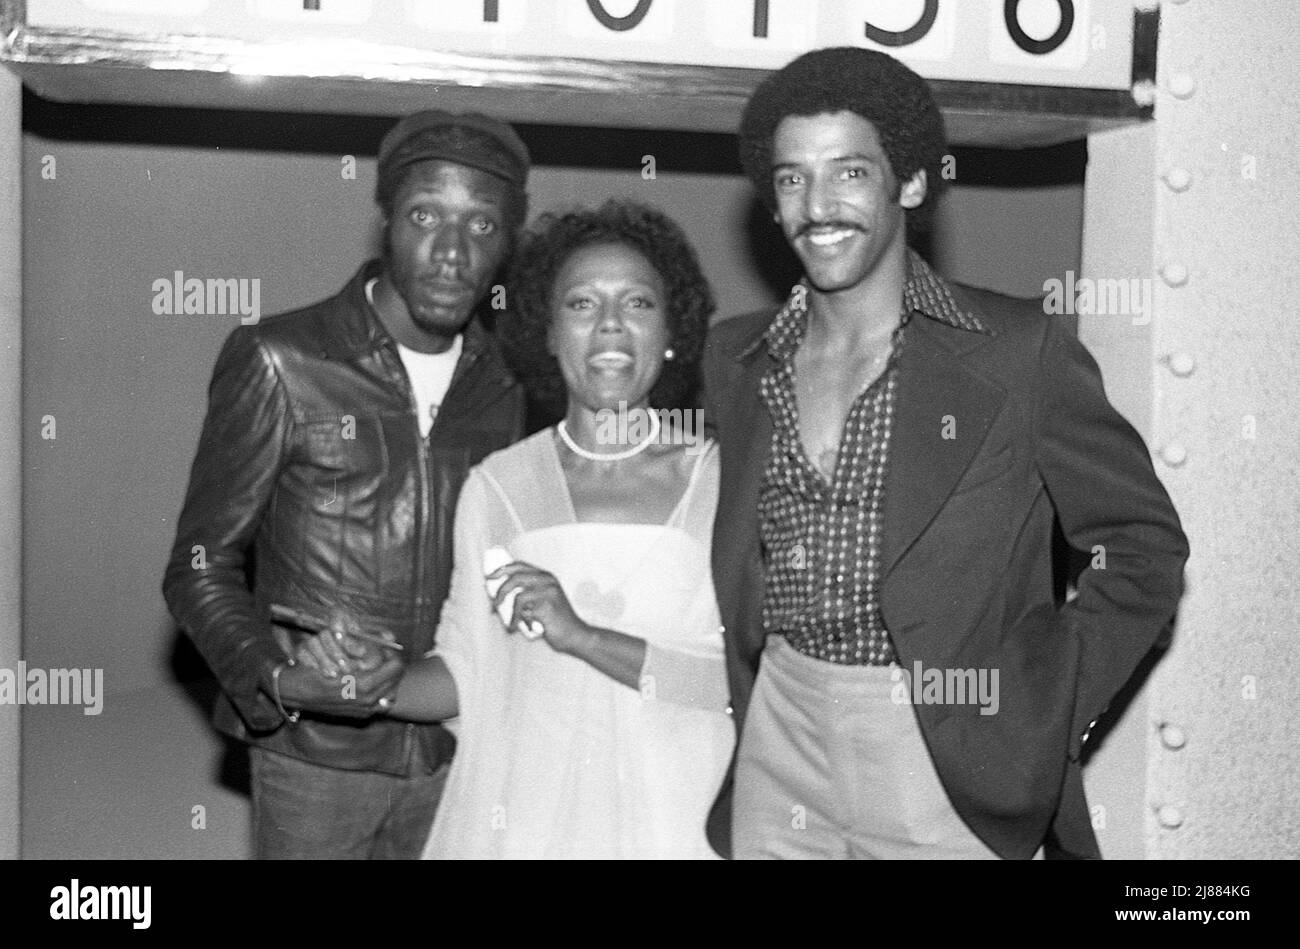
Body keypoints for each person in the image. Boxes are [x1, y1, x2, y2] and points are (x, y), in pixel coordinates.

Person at [702, 47, 1189, 859]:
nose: (817, 206)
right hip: (779, 735)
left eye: (850, 173)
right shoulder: (736, 358)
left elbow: (1143, 548)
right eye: (791, 179)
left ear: (913, 183)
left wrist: (1043, 706)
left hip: (947, 750)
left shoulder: (1015, 352)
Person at [305, 200, 732, 859]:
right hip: (528, 825)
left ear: (671, 331)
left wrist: (583, 636)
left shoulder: (718, 480)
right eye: (583, 304)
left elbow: (736, 682)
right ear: (549, 334)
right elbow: (465, 672)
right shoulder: (498, 486)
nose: (611, 326)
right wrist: (379, 681)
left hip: (675, 821)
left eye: (638, 304)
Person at [162, 110, 530, 859]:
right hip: (315, 758)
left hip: (459, 750)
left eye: (482, 225)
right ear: (386, 219)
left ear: (505, 245)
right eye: (426, 214)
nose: (452, 252)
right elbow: (198, 566)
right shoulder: (281, 359)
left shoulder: (514, 384)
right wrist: (281, 678)